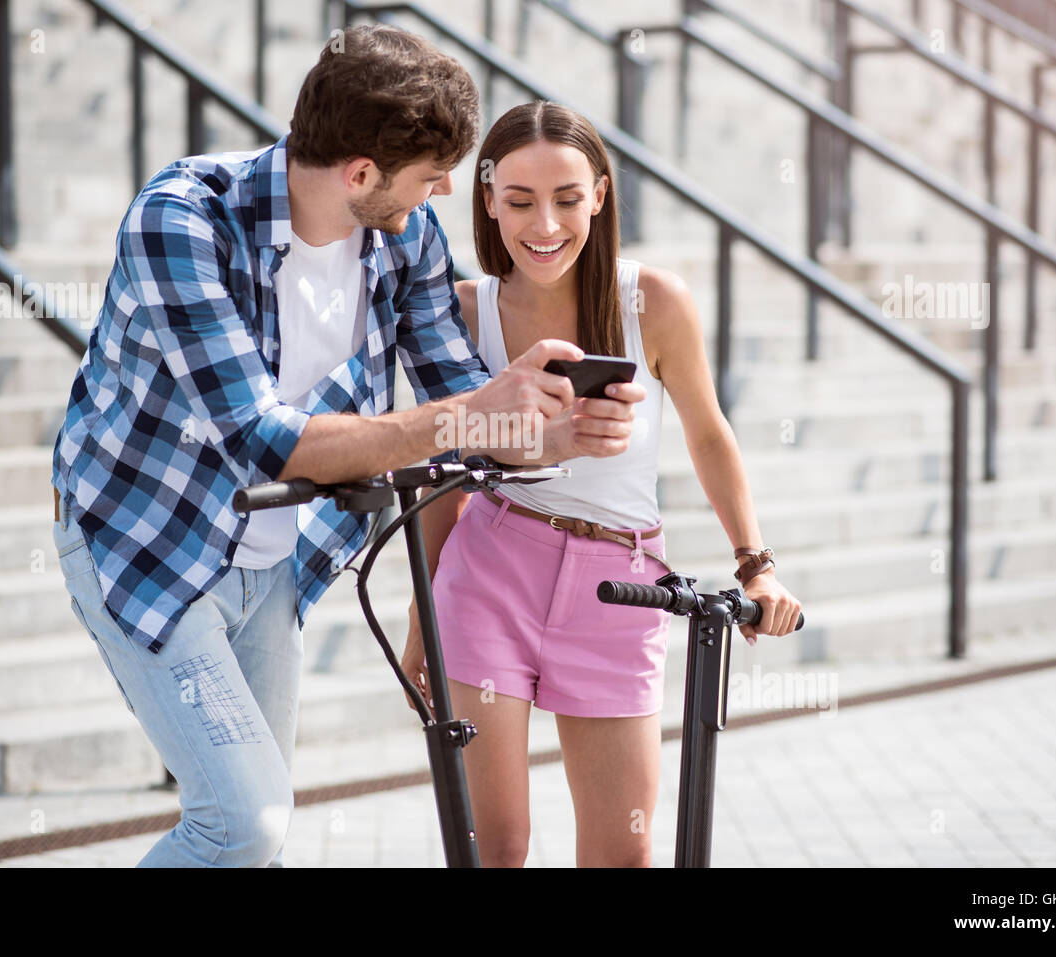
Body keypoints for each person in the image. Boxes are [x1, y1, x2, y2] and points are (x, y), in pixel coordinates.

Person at [50, 29, 645, 867]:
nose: (445, 190)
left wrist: (554, 422)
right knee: (243, 823)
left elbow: (456, 398)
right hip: (147, 539)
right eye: (430, 175)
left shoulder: (403, 236)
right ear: (360, 174)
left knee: (256, 841)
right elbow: (268, 441)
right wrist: (475, 412)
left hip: (276, 557)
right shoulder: (182, 220)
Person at [400, 101, 803, 868]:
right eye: (518, 201)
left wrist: (757, 562)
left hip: (621, 586)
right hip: (489, 574)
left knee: (625, 850)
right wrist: (422, 607)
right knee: (495, 847)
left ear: (601, 195)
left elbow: (710, 433)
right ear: (486, 200)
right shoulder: (460, 312)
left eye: (566, 198)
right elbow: (446, 467)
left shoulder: (653, 300)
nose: (543, 223)